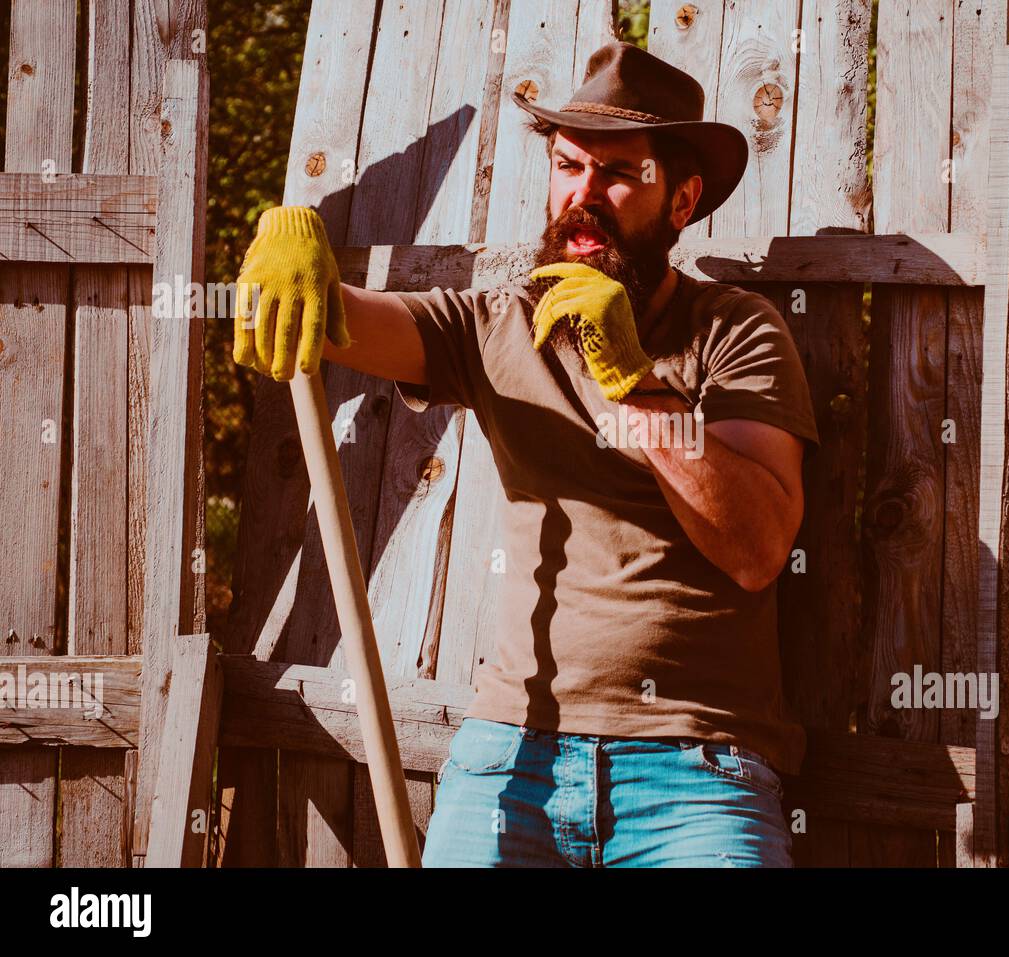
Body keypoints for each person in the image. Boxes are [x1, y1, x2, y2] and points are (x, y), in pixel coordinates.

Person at [234, 41, 819, 867]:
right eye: (567, 165)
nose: (584, 195)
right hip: (510, 755)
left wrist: (632, 381)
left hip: (694, 770)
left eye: (619, 173)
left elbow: (757, 547)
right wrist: (291, 236)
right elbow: (340, 321)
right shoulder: (496, 323)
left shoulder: (734, 331)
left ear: (682, 199)